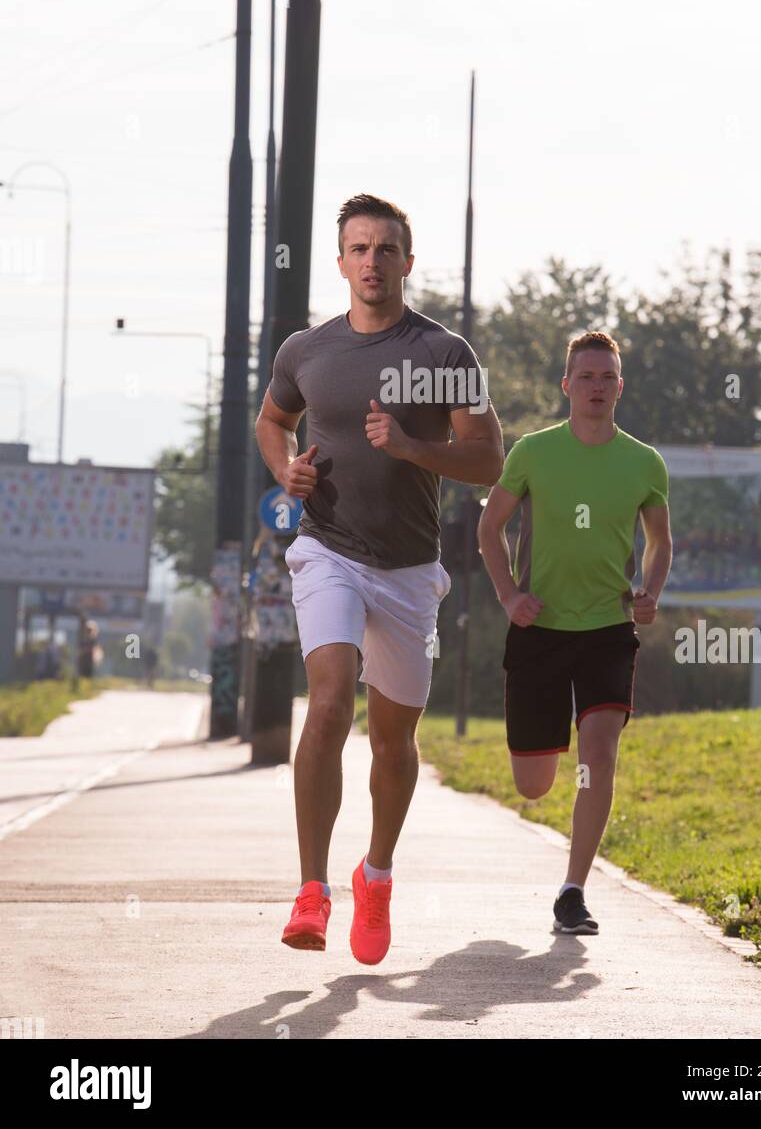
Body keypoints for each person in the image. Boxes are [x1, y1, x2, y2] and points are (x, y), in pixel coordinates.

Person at [255, 193, 503, 964]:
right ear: (340, 263)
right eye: (357, 249)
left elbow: (490, 459)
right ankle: (311, 891)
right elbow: (272, 420)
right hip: (325, 548)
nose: (371, 262)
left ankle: (377, 874)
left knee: (393, 743)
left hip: (406, 568)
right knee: (327, 703)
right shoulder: (307, 351)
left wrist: (411, 448)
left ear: (406, 260)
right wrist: (285, 470)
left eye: (384, 249)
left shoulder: (443, 356)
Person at [477, 330, 672, 937]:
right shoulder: (533, 453)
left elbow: (662, 541)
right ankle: (551, 768)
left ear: (620, 385)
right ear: (567, 385)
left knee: (600, 755)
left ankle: (573, 890)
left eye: (606, 376)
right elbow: (490, 530)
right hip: (540, 629)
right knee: (533, 785)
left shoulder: (644, 462)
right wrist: (510, 596)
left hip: (608, 629)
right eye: (585, 376)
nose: (596, 386)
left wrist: (651, 593)